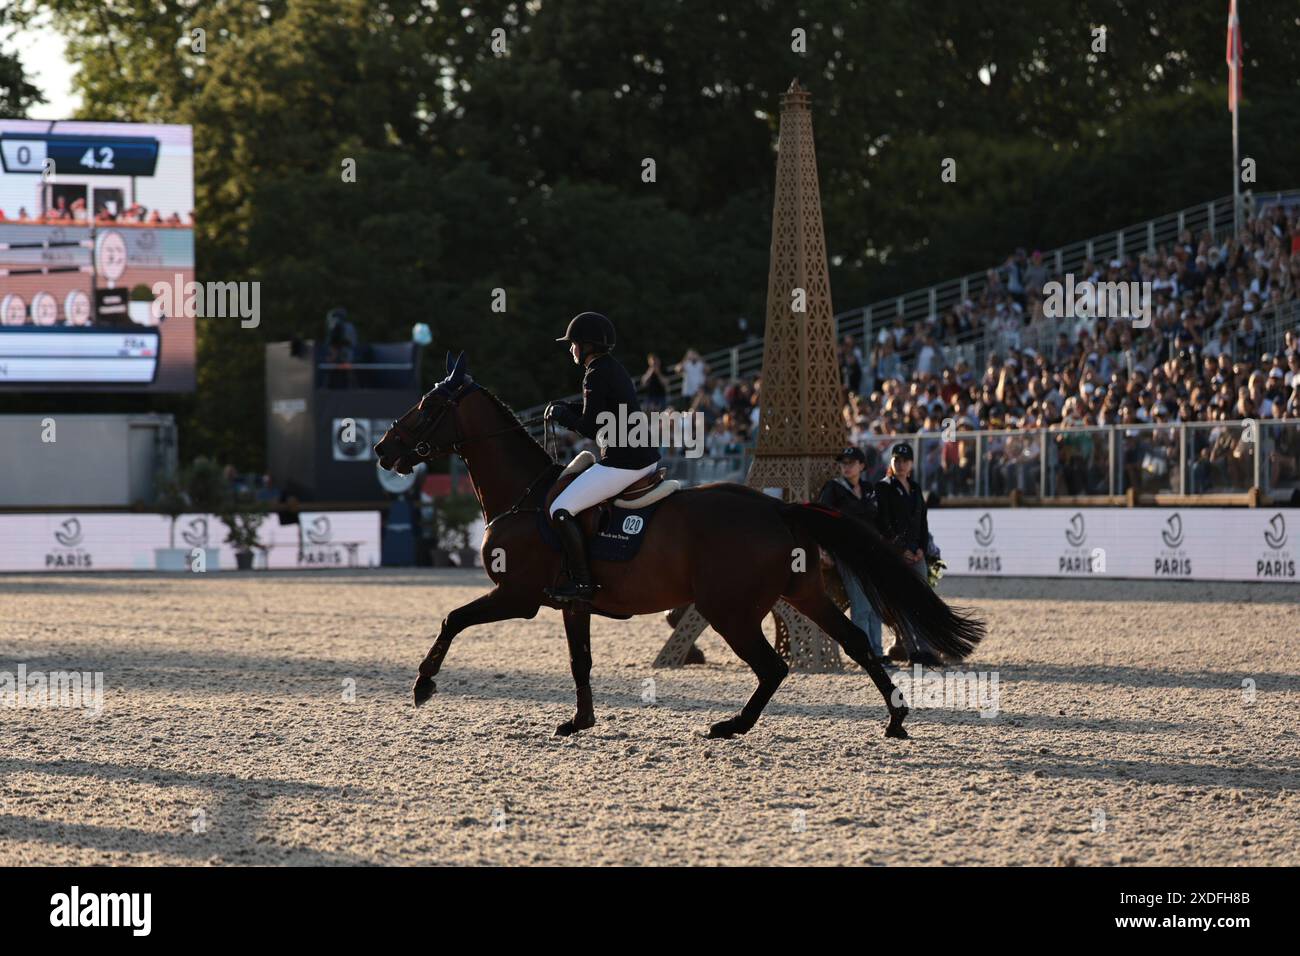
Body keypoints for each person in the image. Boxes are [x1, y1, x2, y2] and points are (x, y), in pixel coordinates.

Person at [547, 312, 661, 602]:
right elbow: (597, 410)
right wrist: (567, 407)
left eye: (573, 343)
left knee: (559, 509)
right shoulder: (609, 367)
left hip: (624, 462)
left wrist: (564, 417)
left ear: (587, 345)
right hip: (638, 456)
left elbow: (590, 425)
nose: (571, 349)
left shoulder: (596, 372)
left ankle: (583, 583)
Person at [875, 442, 942, 666]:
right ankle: (912, 652)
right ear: (891, 462)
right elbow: (884, 524)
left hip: (917, 553)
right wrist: (900, 549)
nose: (901, 464)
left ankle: (924, 649)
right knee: (904, 606)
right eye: (897, 460)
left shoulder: (915, 488)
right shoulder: (883, 488)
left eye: (904, 461)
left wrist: (921, 547)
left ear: (911, 464)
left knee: (921, 603)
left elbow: (922, 522)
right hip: (898, 555)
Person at [817, 447, 884, 658]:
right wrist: (822, 549)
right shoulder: (833, 488)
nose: (846, 466)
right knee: (862, 605)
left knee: (875, 606)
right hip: (847, 552)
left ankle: (878, 651)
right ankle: (866, 653)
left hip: (871, 553)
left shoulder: (869, 488)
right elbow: (820, 519)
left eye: (851, 462)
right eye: (844, 463)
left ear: (862, 466)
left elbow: (878, 521)